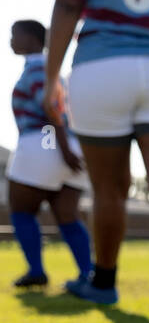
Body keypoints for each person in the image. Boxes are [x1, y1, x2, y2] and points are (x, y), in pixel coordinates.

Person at [42, 0, 149, 312]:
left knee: (108, 189)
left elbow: (67, 5)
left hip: (102, 66)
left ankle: (104, 282)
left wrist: (51, 77)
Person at [6, 19, 91, 290]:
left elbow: (50, 110)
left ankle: (36, 270)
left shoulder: (38, 67)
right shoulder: (52, 70)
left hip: (46, 141)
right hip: (68, 144)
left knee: (20, 208)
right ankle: (87, 273)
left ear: (31, 39)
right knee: (67, 213)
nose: (10, 40)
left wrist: (59, 148)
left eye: (14, 35)